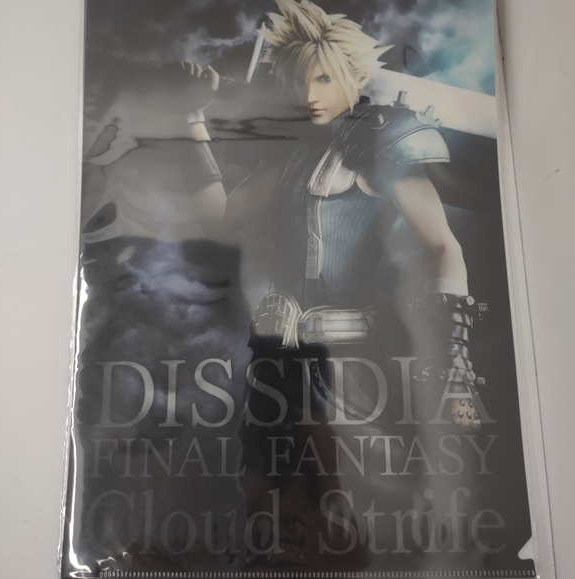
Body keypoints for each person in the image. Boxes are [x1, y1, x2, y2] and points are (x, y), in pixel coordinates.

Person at [184, 0, 482, 567]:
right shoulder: (296, 159)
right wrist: (190, 119)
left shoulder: (382, 146)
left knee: (359, 505)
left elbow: (445, 245)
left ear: (355, 76)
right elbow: (219, 218)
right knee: (264, 502)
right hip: (274, 360)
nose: (309, 94)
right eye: (299, 81)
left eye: (323, 78)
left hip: (346, 365)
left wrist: (457, 367)